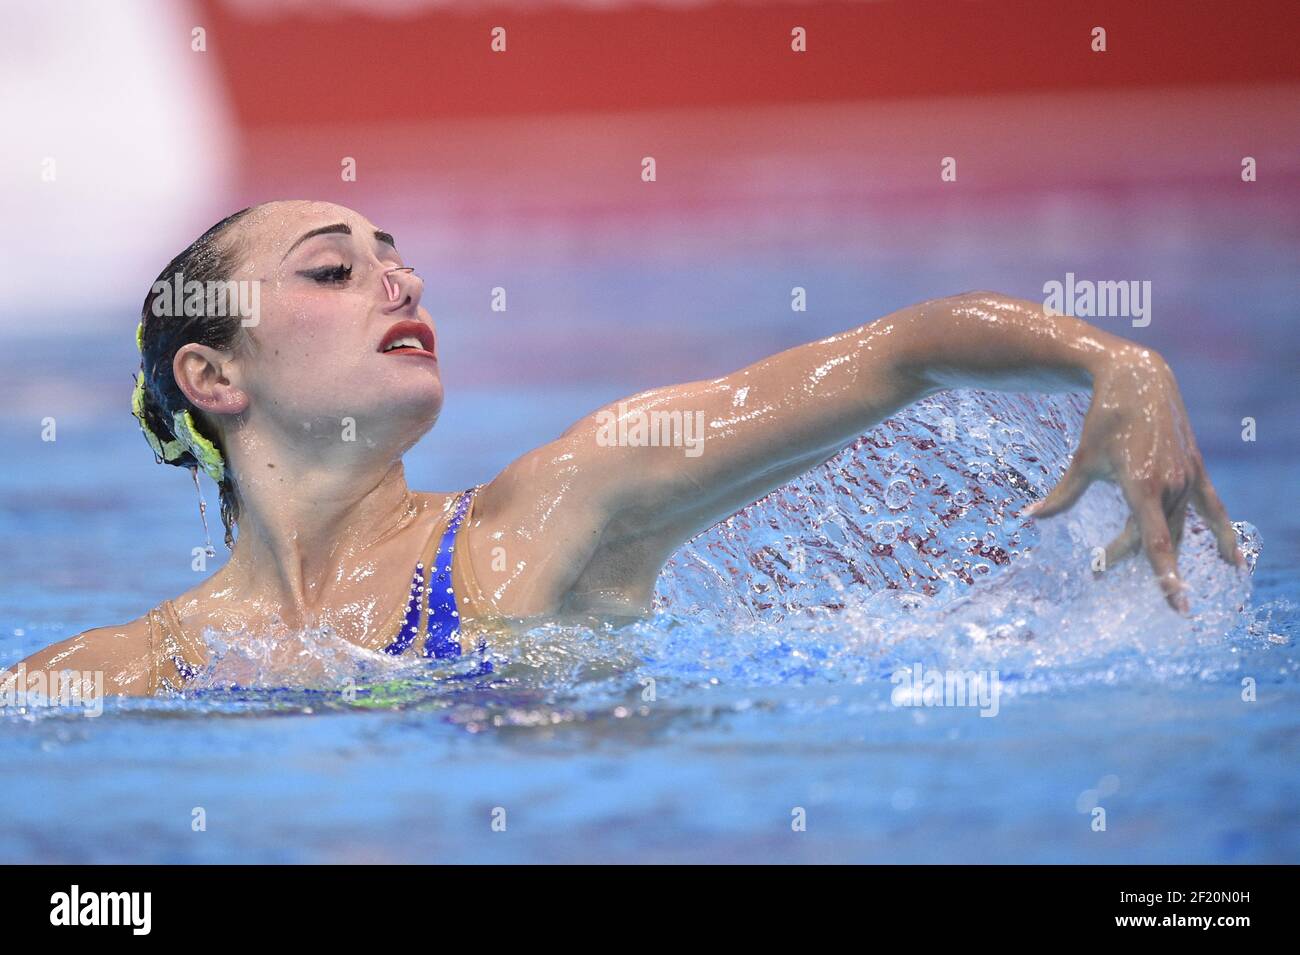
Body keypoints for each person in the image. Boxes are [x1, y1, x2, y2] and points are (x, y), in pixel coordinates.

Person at [5, 200, 1243, 697]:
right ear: (210, 378)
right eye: (335, 270)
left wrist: (1115, 362)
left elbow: (895, 353)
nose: (400, 276)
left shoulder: (542, 518)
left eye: (394, 257)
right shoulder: (134, 666)